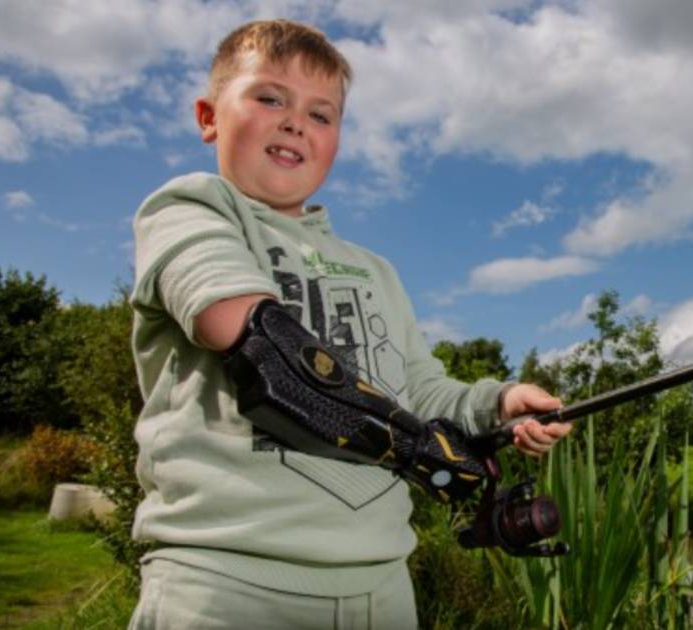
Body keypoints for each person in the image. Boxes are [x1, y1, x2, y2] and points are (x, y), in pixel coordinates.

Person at [127, 19, 571, 629]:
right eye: (269, 98)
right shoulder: (192, 209)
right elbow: (267, 353)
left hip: (381, 587)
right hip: (223, 580)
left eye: (321, 114)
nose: (294, 122)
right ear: (208, 116)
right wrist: (421, 453)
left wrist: (498, 404)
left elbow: (420, 392)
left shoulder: (377, 271)